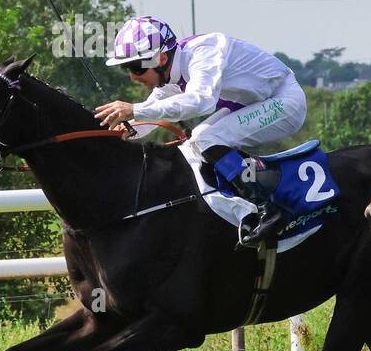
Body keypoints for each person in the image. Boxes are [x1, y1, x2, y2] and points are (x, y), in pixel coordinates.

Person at [97, 16, 307, 245]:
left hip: (284, 102)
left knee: (207, 138)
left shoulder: (204, 52)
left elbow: (201, 101)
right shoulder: (170, 72)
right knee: (196, 141)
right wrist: (128, 129)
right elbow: (153, 109)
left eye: (137, 68)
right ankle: (241, 207)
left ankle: (269, 210)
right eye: (127, 68)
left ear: (162, 58)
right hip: (254, 103)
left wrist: (134, 110)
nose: (133, 77)